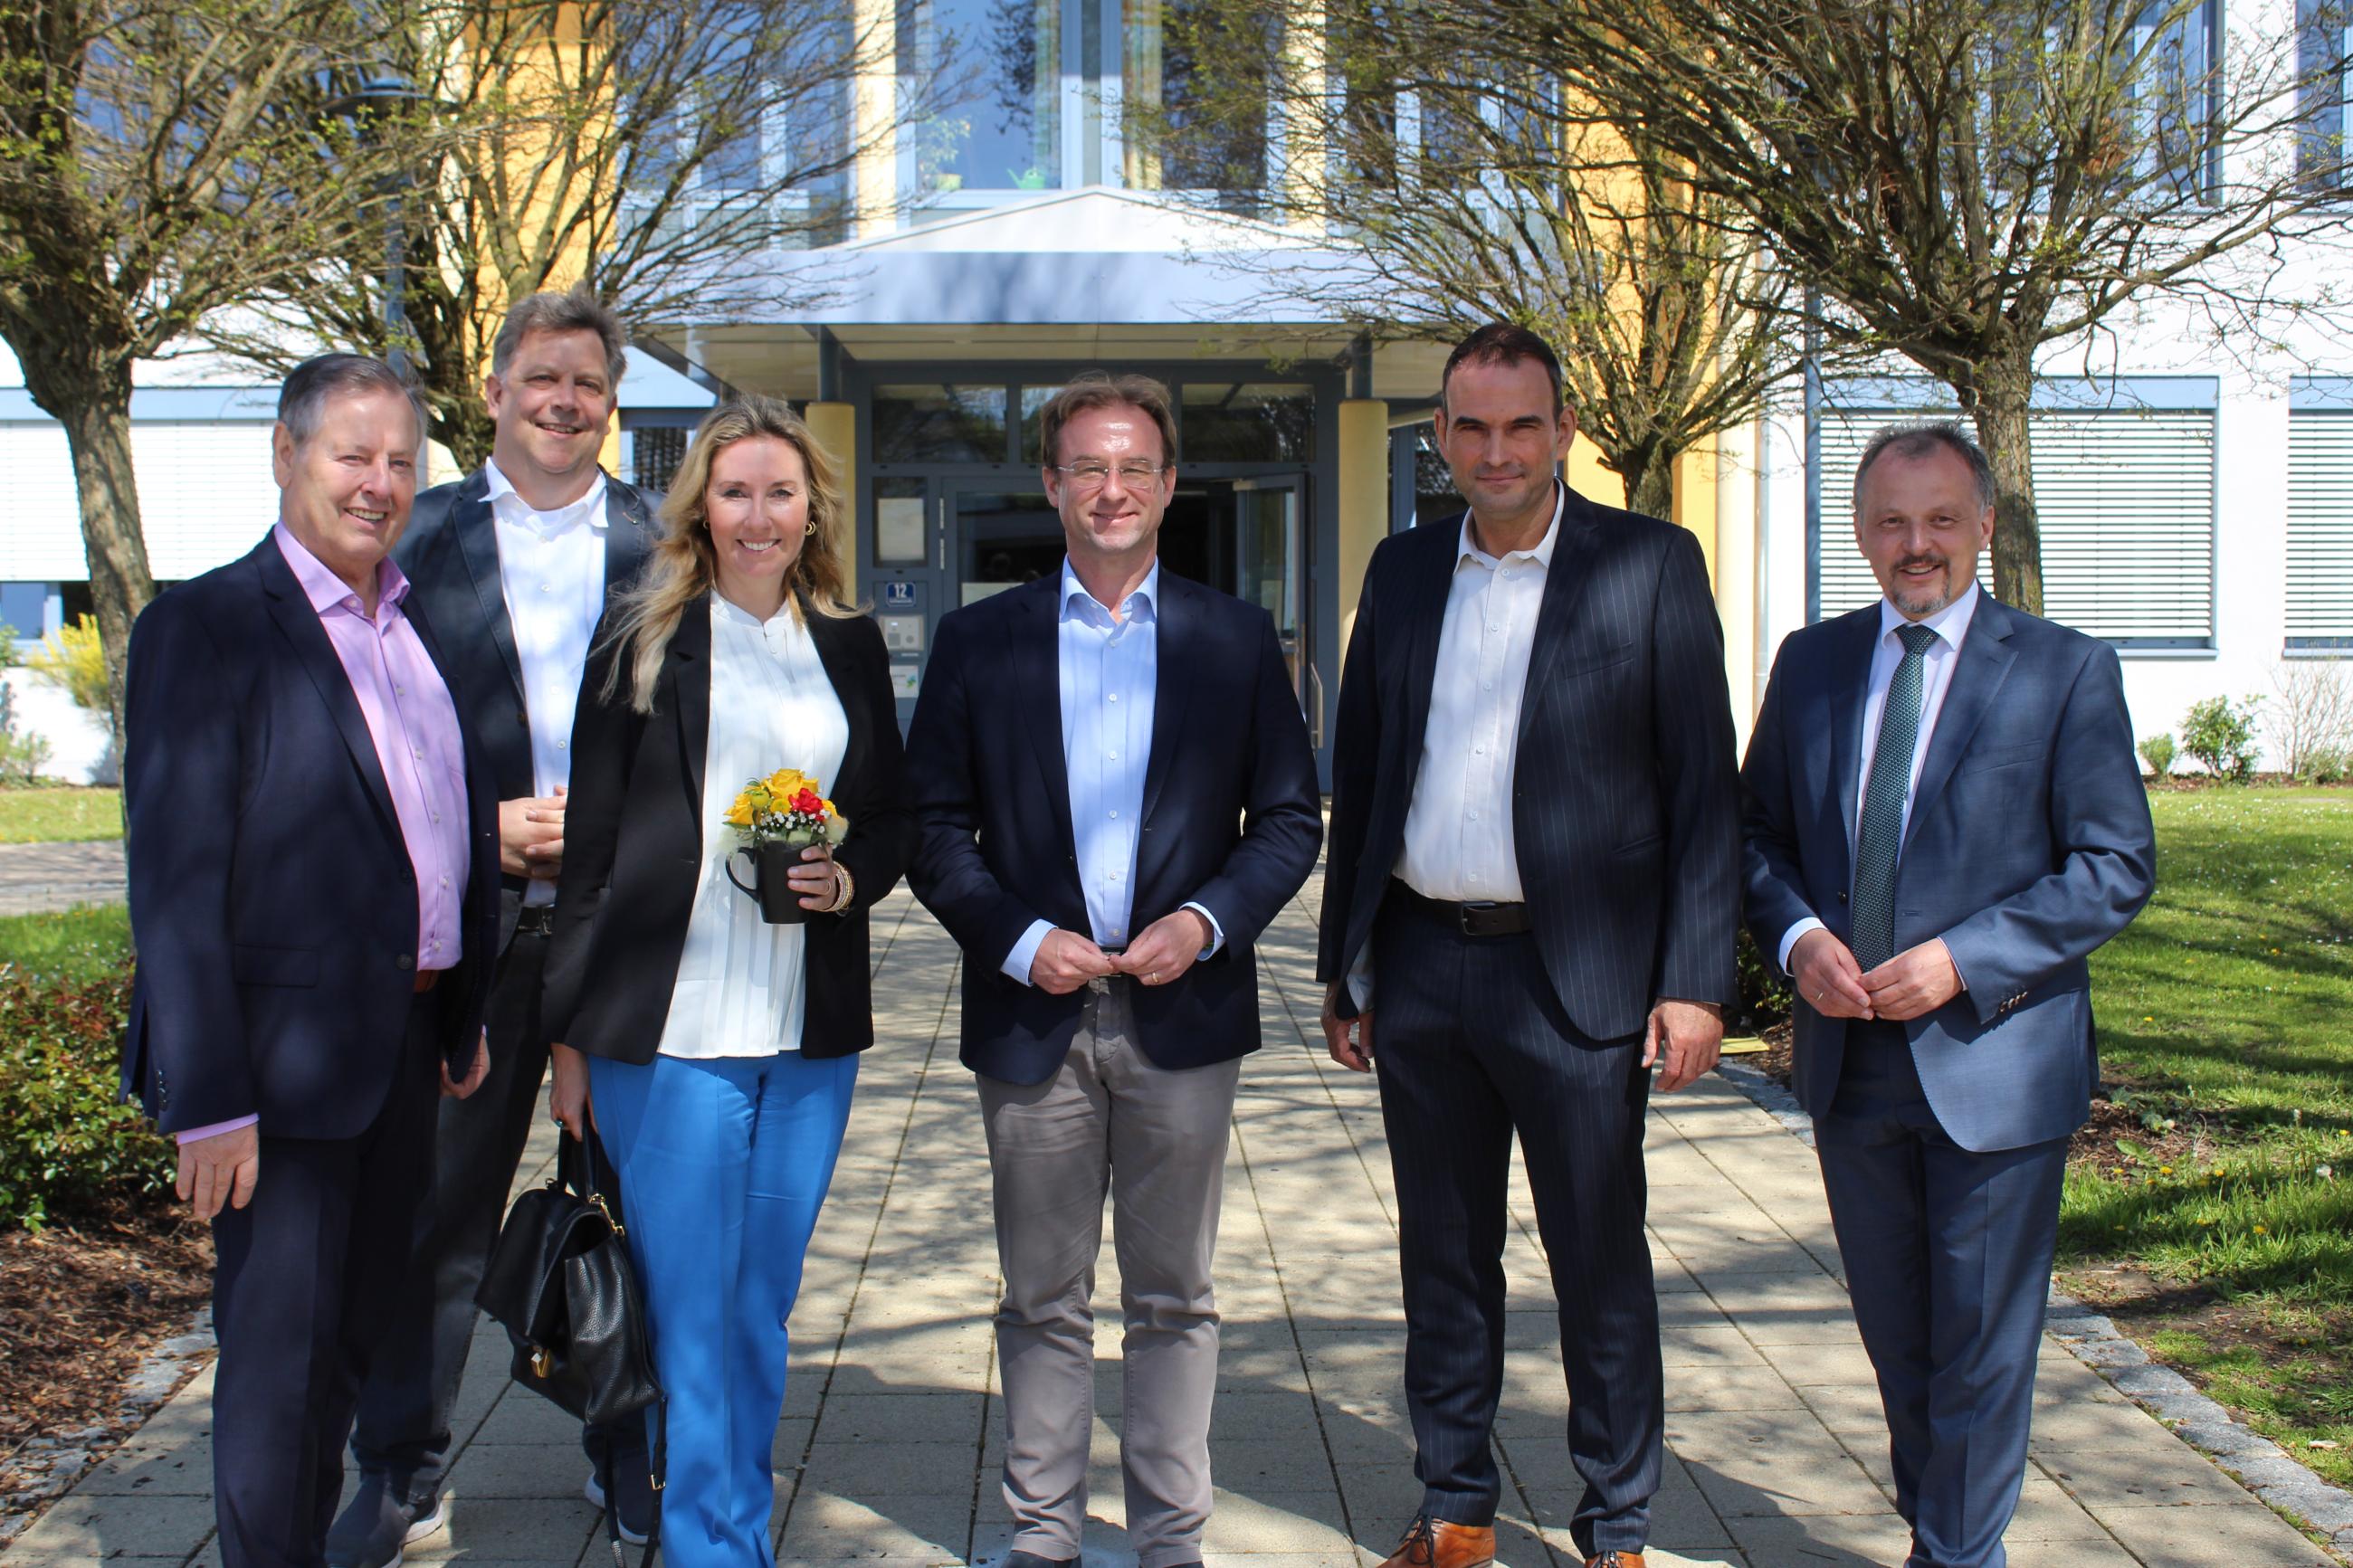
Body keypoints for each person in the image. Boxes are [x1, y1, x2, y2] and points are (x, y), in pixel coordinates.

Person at [1316, 323, 1739, 1568]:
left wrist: (1695, 981)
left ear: (1561, 430)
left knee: (1598, 1260)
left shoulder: (1651, 564)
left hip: (1580, 979)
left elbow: (1702, 788)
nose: (1495, 451)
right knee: (1443, 1259)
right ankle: (1455, 1509)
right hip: (1421, 962)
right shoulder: (1398, 573)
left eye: (1520, 425)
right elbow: (1367, 769)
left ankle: (1618, 1529)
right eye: (1470, 427)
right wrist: (1343, 964)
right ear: (1439, 436)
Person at [906, 371, 1321, 1568]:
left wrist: (1205, 920)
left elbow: (1290, 819)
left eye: (1135, 466)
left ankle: (1169, 1541)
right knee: (1041, 1298)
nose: (1112, 488)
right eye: (1087, 466)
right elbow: (934, 826)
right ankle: (1042, 1538)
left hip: (1181, 1019)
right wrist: (1022, 941)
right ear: (1050, 485)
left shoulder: (1233, 638)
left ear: (1169, 482)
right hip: (1031, 1024)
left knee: (1174, 1298)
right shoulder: (979, 642)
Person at [1741, 421, 2156, 1568]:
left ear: (1982, 524)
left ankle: (1957, 1552)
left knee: (1979, 1342)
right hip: (1849, 1054)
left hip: (1994, 1055)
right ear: (1861, 534)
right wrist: (1795, 937)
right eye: (1888, 521)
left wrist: (1964, 956)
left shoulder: (2063, 668)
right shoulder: (1812, 663)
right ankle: (1946, 1532)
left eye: (1936, 519)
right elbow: (1756, 834)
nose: (1912, 543)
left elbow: (2114, 863)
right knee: (1899, 1341)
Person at [121, 353, 499, 1568]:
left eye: (401, 461)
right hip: (274, 1080)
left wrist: (459, 1008)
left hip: (399, 1049)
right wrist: (209, 1099)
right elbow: (175, 884)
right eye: (352, 454)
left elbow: (437, 823)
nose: (378, 483)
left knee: (347, 1347)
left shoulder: (413, 620)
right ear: (285, 456)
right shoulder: (207, 627)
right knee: (280, 1369)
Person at [538, 394, 914, 1565]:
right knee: (694, 1321)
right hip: (669, 1035)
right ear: (702, 503)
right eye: (737, 490)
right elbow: (588, 850)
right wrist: (564, 1042)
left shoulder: (846, 641)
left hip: (806, 1036)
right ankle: (713, 1548)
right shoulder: (641, 637)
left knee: (759, 1314)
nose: (759, 514)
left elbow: (892, 814)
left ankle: (732, 1528)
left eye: (782, 493)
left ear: (814, 512)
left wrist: (849, 878)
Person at [328, 284, 659, 1565]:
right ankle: (399, 1466)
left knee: (635, 1209)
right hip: (471, 933)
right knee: (435, 1217)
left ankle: (628, 1451)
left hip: (626, 942)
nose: (563, 403)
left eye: (585, 383)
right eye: (541, 380)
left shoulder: (663, 539)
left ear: (608, 401)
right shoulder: (411, 532)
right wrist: (485, 824)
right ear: (497, 391)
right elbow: (357, 721)